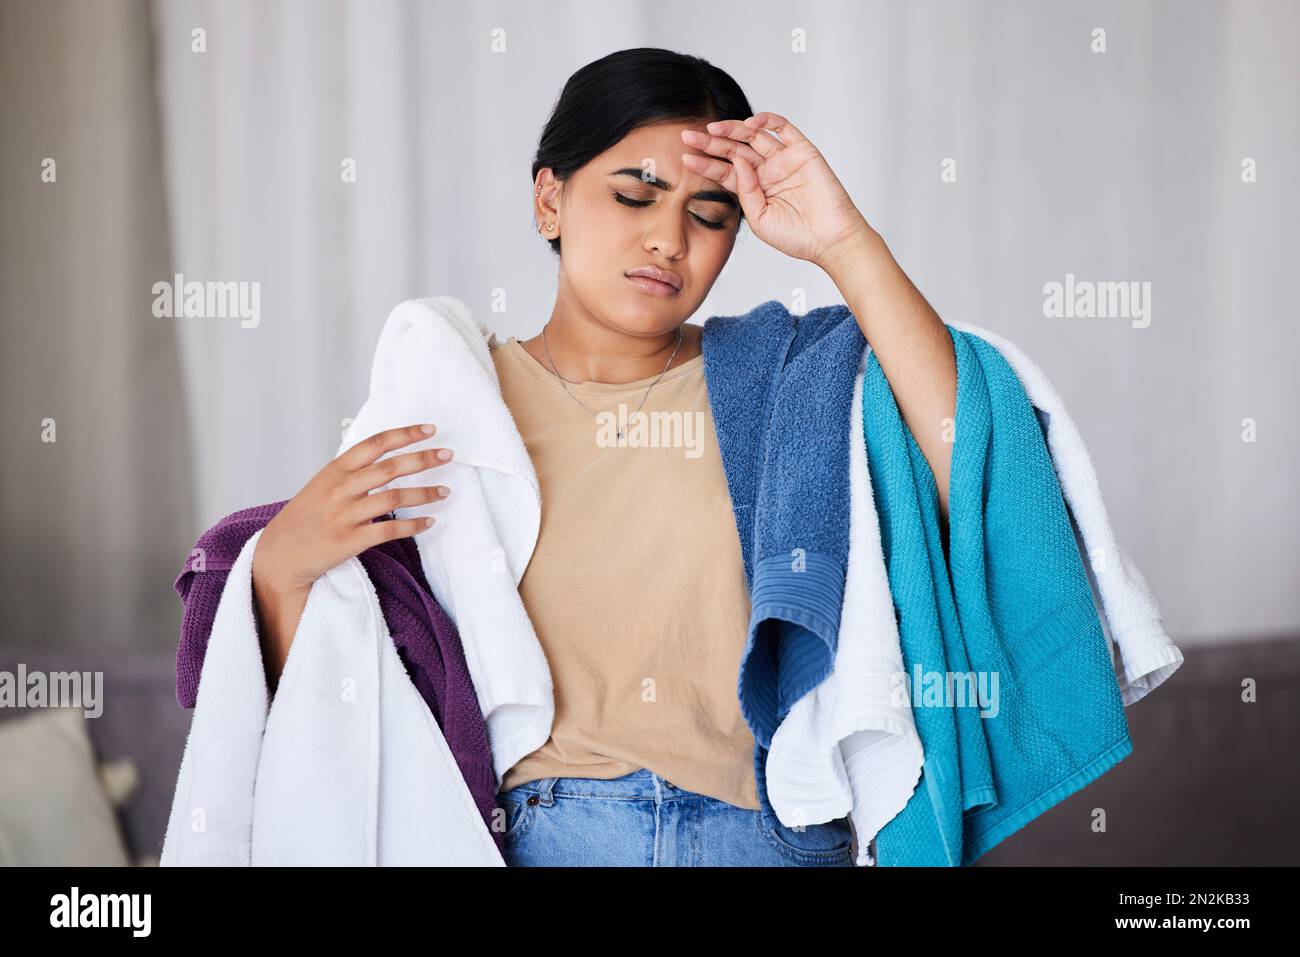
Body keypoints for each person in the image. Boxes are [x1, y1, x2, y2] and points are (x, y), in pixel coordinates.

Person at [244, 47, 958, 867]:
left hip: (770, 837)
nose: (667, 239)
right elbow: (352, 684)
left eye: (711, 215)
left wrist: (842, 238)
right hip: (551, 834)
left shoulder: (788, 381)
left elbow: (963, 457)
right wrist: (279, 567)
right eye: (634, 195)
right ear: (549, 198)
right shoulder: (451, 402)